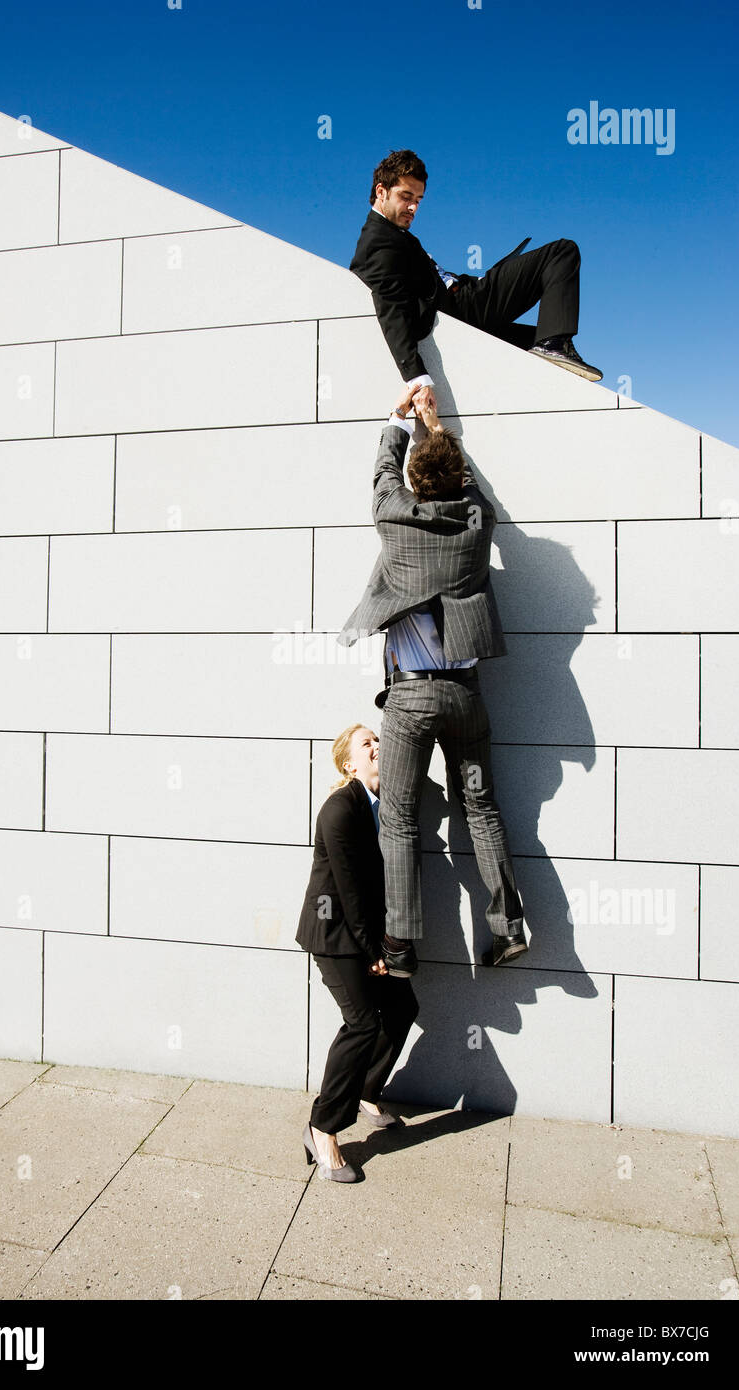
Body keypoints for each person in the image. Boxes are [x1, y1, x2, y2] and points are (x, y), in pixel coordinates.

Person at [338, 385, 527, 980]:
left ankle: (400, 948)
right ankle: (510, 928)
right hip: (466, 696)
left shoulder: (397, 521)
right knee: (482, 806)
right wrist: (437, 427)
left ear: (418, 485)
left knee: (398, 817)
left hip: (413, 697)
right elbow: (470, 492)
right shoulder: (477, 526)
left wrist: (400, 420)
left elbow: (382, 479)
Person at [350, 148, 602, 413]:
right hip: (466, 308)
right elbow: (391, 308)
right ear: (381, 191)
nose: (413, 207)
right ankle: (553, 345)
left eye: (419, 200)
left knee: (536, 339)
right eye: (406, 197)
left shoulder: (392, 234)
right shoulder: (377, 242)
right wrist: (417, 378)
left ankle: (550, 353)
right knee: (561, 252)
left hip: (468, 295)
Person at [295, 723, 419, 1183]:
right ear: (349, 763)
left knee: (403, 1006)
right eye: (367, 743)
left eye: (379, 740)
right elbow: (348, 892)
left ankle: (367, 1091)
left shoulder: (382, 807)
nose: (378, 746)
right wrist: (374, 952)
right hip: (335, 936)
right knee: (363, 1023)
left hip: (364, 933)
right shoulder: (340, 809)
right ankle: (322, 1126)